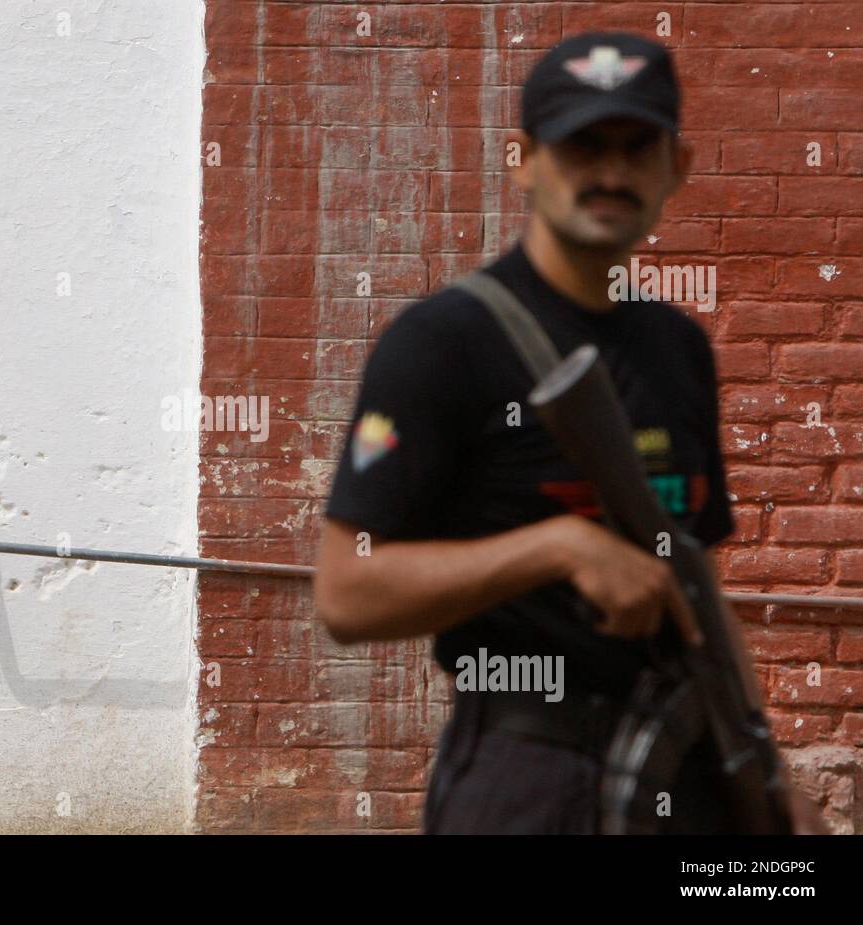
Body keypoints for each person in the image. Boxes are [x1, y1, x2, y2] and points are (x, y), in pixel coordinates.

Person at [313, 32, 824, 834]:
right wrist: (557, 548)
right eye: (582, 145)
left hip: (686, 769)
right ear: (524, 159)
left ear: (676, 168)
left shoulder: (677, 347)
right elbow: (346, 592)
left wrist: (771, 775)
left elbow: (698, 584)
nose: (610, 173)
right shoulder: (444, 343)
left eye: (635, 147)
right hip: (527, 777)